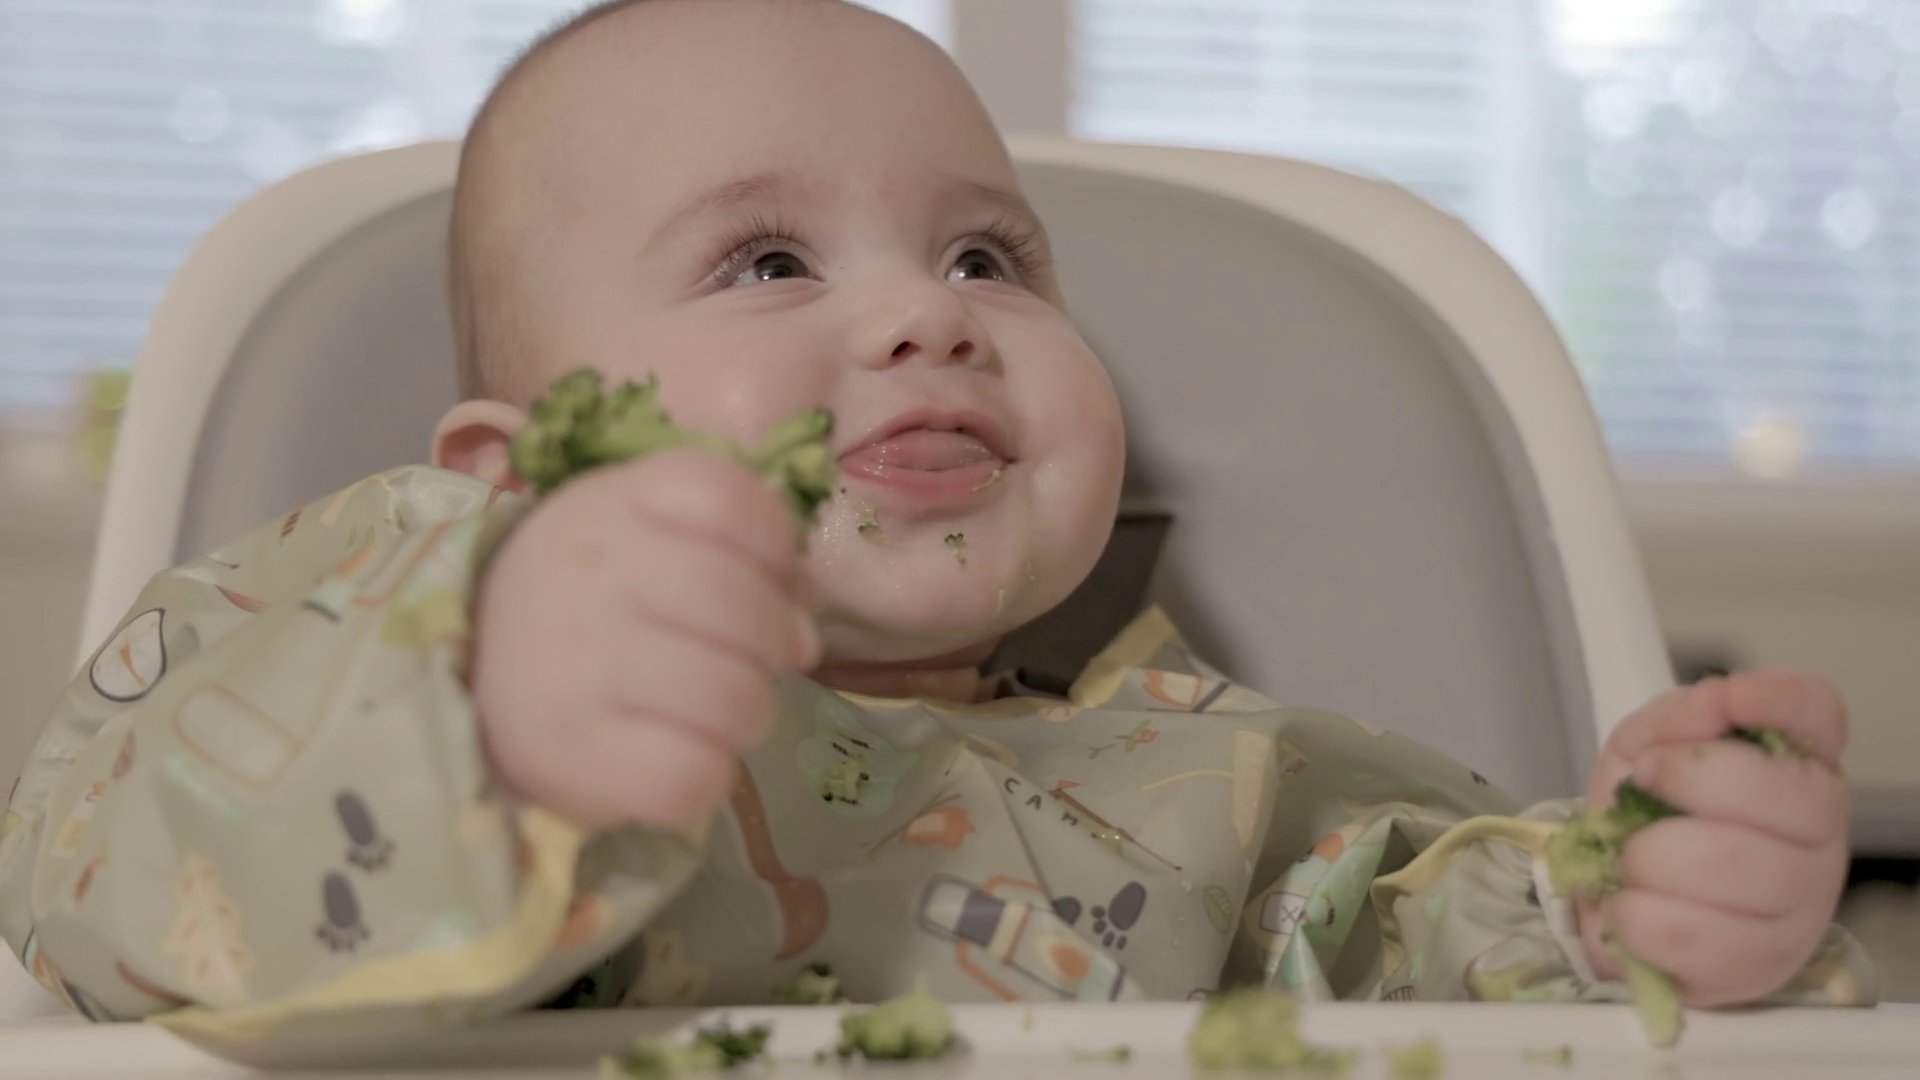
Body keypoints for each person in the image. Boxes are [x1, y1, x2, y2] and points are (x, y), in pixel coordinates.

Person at [0, 0, 1870, 1045]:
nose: (928, 313)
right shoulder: (370, 609)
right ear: (516, 471)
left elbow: (1401, 965)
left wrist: (1635, 909)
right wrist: (479, 705)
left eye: (985, 253)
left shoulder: (1197, 779)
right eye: (764, 258)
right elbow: (111, 883)